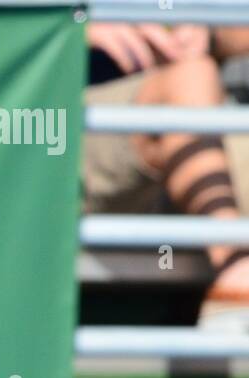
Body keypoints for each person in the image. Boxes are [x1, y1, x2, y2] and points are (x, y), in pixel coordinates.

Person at [83, 23, 249, 327]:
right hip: (52, 124)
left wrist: (210, 35)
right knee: (192, 75)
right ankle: (234, 270)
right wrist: (78, 30)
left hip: (204, 120)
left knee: (193, 76)